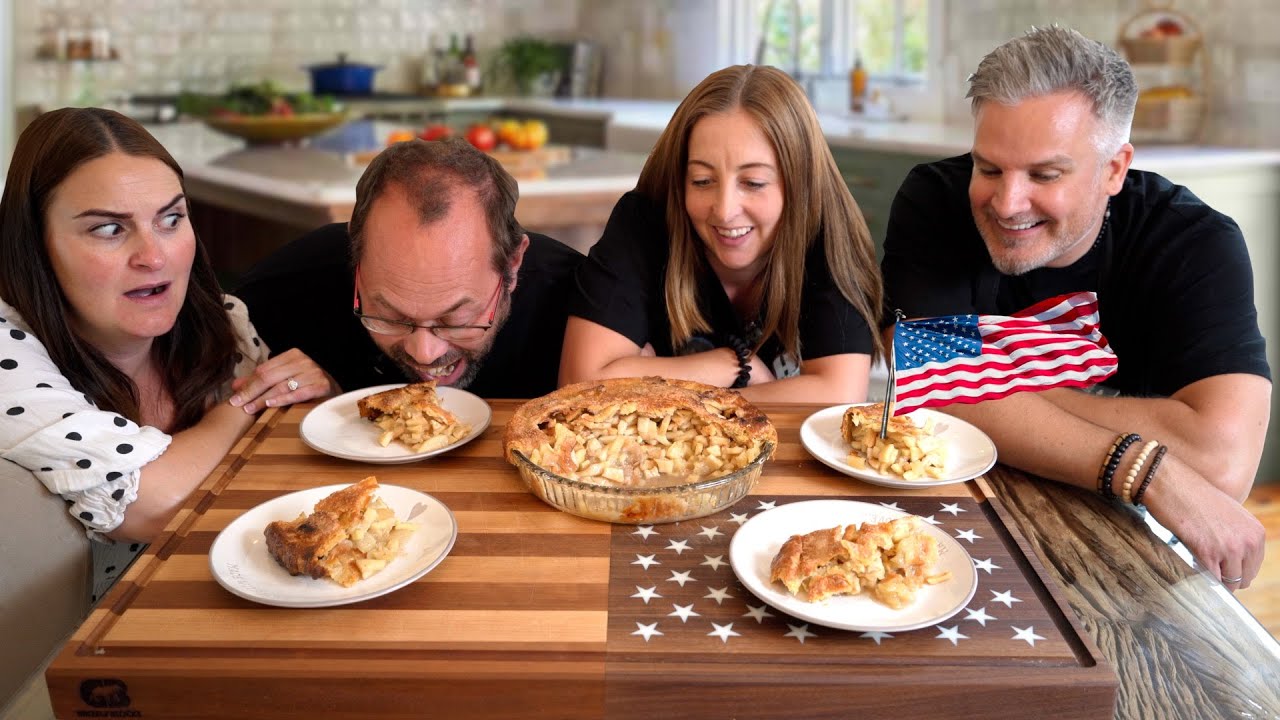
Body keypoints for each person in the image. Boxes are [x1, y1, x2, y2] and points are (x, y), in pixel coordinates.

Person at [880, 27, 1270, 589]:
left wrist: (988, 388)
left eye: (1045, 175)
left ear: (1114, 169)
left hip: (1129, 543)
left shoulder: (1194, 241)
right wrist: (1144, 466)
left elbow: (1221, 463)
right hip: (956, 520)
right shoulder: (935, 199)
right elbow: (932, 385)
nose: (1007, 203)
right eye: (989, 169)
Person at [0, 108, 333, 601]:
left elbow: (286, 463)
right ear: (35, 245)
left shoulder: (222, 320)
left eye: (171, 219)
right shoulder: (6, 349)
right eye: (109, 229)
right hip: (110, 637)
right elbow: (147, 502)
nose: (154, 256)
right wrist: (245, 406)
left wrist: (316, 390)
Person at [560, 65, 883, 403]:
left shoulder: (829, 236)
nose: (725, 210)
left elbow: (840, 397)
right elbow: (579, 385)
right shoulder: (645, 222)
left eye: (753, 183)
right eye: (702, 181)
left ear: (799, 185)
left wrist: (652, 382)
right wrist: (737, 366)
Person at [235, 137, 583, 399]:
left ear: (513, 263)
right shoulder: (280, 294)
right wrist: (319, 408)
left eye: (456, 320)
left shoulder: (581, 306)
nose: (424, 354)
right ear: (355, 255)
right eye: (390, 317)